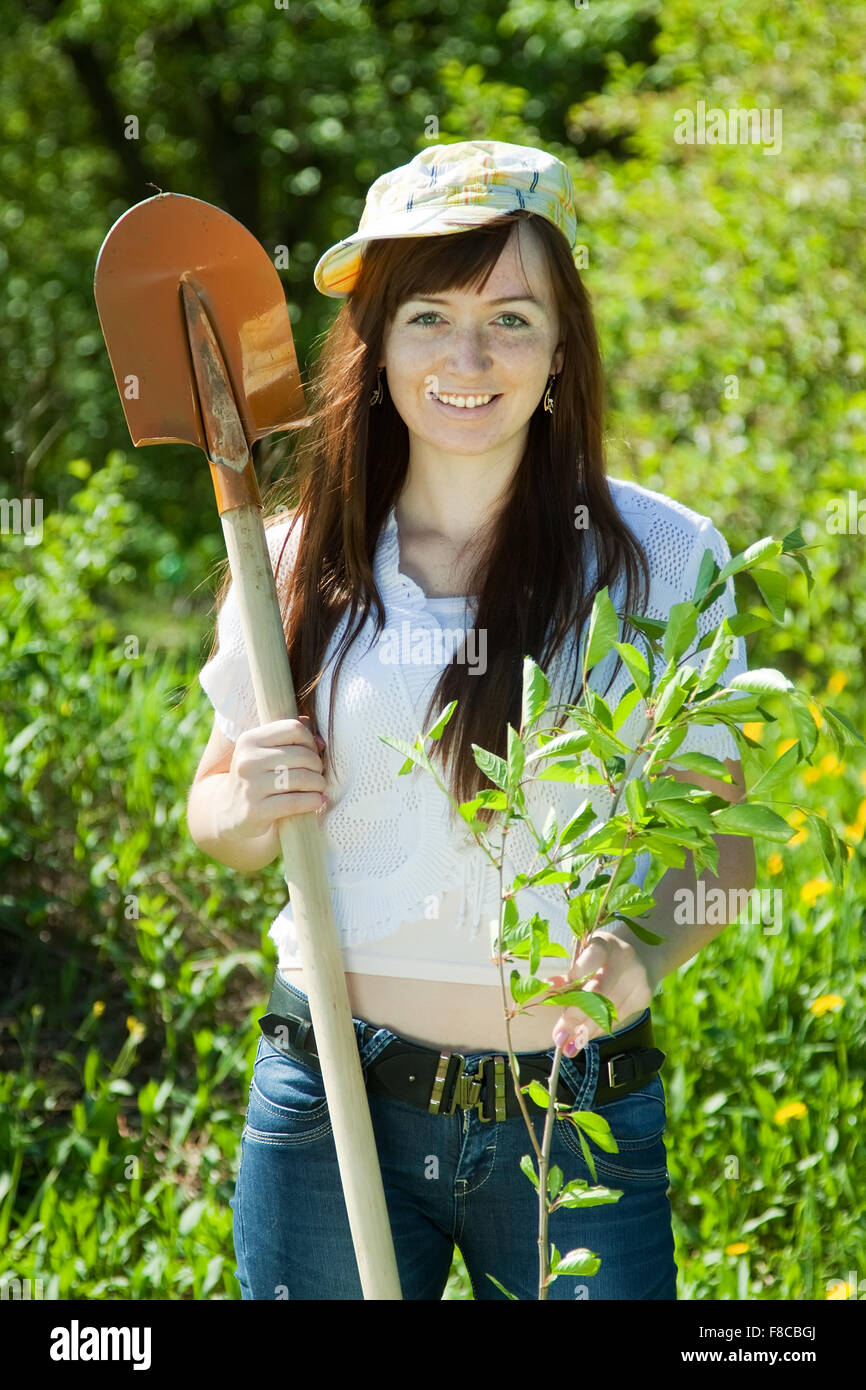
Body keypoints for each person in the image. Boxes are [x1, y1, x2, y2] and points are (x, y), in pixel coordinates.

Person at [187, 140, 755, 1301]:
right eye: (429, 315)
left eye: (510, 318)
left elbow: (722, 845)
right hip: (332, 1100)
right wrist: (244, 801)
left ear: (559, 351)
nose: (467, 355)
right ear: (378, 342)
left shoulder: (662, 562)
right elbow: (219, 816)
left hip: (569, 1118)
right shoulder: (286, 560)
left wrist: (638, 956)